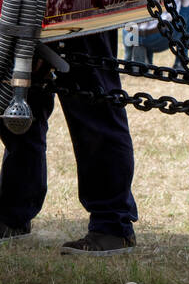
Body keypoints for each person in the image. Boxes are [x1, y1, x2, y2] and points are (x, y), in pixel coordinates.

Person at [0, 28, 137, 254]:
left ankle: (112, 226)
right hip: (26, 3)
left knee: (92, 105)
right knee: (21, 102)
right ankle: (14, 214)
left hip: (77, 6)